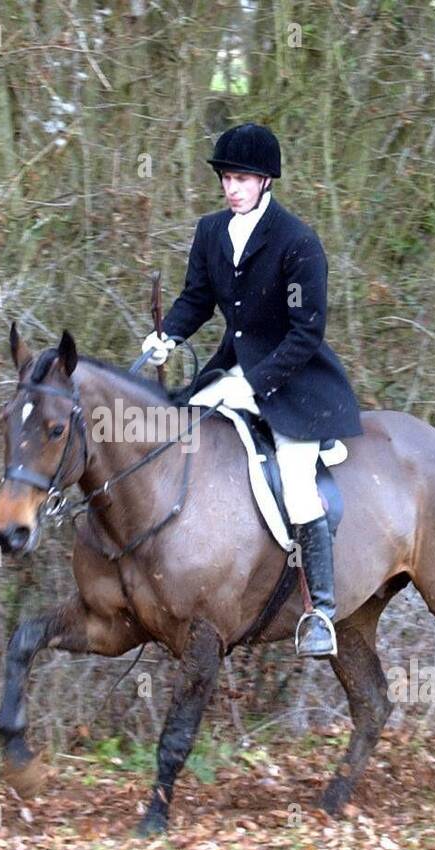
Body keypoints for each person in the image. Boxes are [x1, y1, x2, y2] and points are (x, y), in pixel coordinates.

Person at [141, 123, 364, 658]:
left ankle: (320, 613)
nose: (232, 188)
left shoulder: (298, 242)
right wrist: (166, 335)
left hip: (294, 384)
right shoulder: (211, 232)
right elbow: (196, 299)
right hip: (231, 372)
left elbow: (307, 332)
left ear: (266, 182)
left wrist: (255, 385)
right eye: (226, 178)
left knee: (296, 480)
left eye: (242, 179)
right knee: (174, 436)